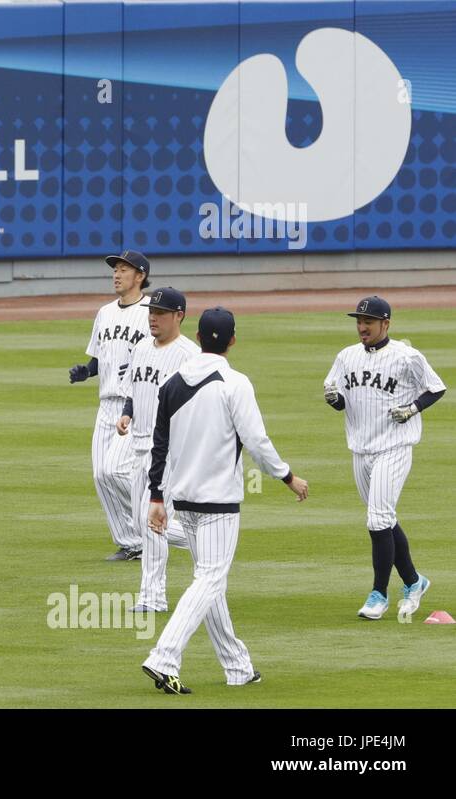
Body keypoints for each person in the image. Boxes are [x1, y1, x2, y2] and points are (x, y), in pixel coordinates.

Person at [141, 307, 309, 695]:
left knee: (209, 581)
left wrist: (155, 497)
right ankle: (164, 657)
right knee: (210, 580)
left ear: (198, 337)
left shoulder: (171, 383)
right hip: (218, 502)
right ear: (232, 340)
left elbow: (159, 445)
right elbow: (257, 442)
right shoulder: (236, 383)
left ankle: (238, 667)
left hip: (182, 498)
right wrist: (287, 477)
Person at [324, 296, 446, 620]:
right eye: (359, 321)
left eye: (369, 321)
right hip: (360, 449)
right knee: (385, 519)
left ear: (386, 324)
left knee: (377, 518)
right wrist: (333, 399)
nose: (362, 327)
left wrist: (412, 409)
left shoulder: (406, 357)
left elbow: (436, 388)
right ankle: (414, 581)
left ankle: (379, 594)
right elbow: (337, 398)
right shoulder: (346, 356)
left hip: (394, 447)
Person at [115, 288, 199, 612]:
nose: (153, 317)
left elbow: (196, 405)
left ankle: (153, 597)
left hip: (168, 451)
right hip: (139, 447)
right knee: (142, 524)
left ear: (179, 315)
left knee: (150, 522)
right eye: (151, 311)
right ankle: (203, 543)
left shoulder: (188, 355)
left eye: (161, 313)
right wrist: (127, 413)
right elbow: (134, 390)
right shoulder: (140, 348)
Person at [69, 250, 151, 561]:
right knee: (101, 476)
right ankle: (133, 543)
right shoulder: (104, 313)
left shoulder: (149, 312)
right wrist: (86, 371)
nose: (116, 275)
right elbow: (100, 355)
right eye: (115, 269)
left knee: (115, 470)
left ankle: (155, 521)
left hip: (135, 404)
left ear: (139, 276)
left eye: (123, 270)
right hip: (105, 405)